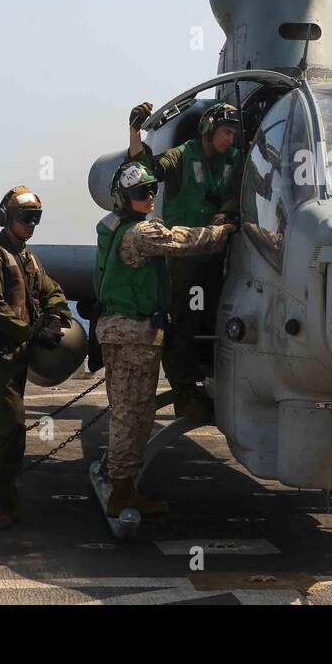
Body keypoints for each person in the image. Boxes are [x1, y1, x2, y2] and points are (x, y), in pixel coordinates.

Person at [95, 161, 235, 516]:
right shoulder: (140, 233)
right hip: (133, 335)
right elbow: (180, 241)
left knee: (133, 412)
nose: (151, 196)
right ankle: (122, 492)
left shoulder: (118, 227)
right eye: (142, 192)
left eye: (152, 189)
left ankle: (122, 483)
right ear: (125, 198)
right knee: (132, 414)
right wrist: (220, 233)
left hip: (125, 332)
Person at [124, 100, 241, 421]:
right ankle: (185, 394)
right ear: (208, 129)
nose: (230, 139)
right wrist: (135, 131)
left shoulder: (235, 159)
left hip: (220, 256)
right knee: (183, 325)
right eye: (226, 132)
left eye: (234, 134)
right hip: (184, 258)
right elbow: (145, 168)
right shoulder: (182, 155)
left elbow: (244, 190)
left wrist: (228, 210)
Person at [0, 185, 71, 529]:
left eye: (36, 219)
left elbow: (50, 290)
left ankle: (6, 497)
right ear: (6, 218)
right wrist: (31, 331)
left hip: (14, 359)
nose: (31, 224)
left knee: (11, 430)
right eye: (26, 218)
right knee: (1, 428)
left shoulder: (28, 258)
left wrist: (54, 315)